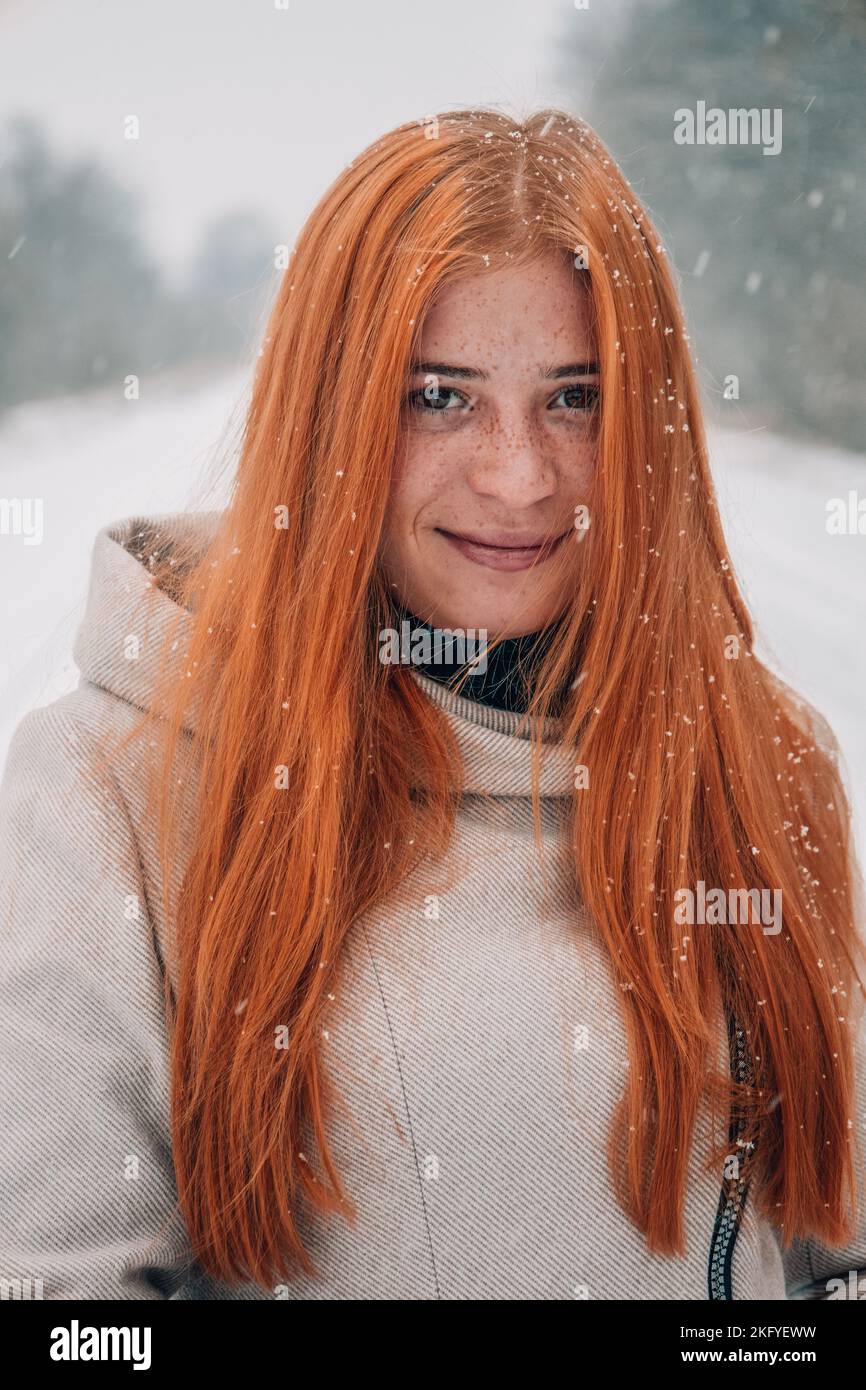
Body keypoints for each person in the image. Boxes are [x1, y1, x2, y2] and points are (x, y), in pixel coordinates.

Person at [1, 107, 864, 1301]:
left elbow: (834, 1252)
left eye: (573, 397)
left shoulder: (765, 760)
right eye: (438, 396)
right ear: (328, 417)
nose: (517, 473)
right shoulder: (105, 788)